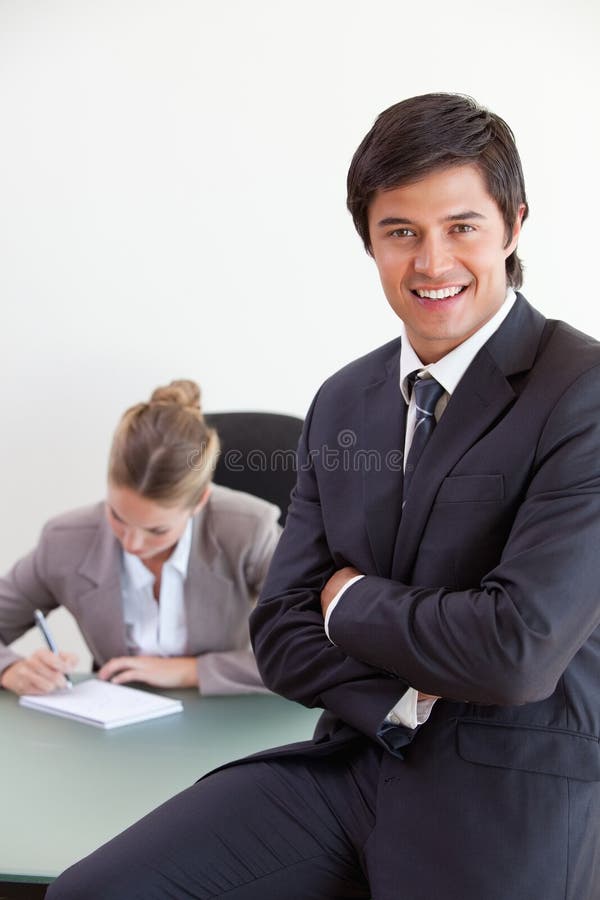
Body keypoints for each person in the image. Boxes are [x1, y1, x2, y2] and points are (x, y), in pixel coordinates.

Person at [47, 94, 600, 900]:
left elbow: (516, 650)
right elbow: (279, 628)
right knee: (92, 893)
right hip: (355, 756)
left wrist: (347, 602)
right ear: (369, 240)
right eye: (401, 232)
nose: (432, 263)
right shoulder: (344, 400)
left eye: (462, 227)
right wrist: (398, 697)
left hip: (508, 790)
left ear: (513, 225)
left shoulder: (580, 391)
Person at [0, 379, 281, 696]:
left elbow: (311, 646)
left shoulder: (248, 530)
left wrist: (192, 671)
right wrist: (10, 668)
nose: (132, 544)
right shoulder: (65, 541)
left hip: (226, 715)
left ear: (200, 502)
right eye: (118, 517)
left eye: (157, 530)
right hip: (114, 715)